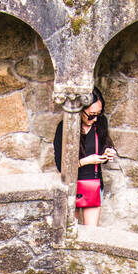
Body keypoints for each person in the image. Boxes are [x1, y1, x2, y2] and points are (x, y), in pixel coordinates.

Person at [53, 87, 116, 227]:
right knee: (70, 231)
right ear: (80, 110)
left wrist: (107, 153)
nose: (95, 119)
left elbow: (103, 145)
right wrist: (87, 161)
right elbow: (61, 166)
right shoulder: (65, 128)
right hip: (71, 186)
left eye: (98, 114)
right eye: (91, 115)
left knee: (91, 233)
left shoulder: (100, 123)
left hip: (93, 184)